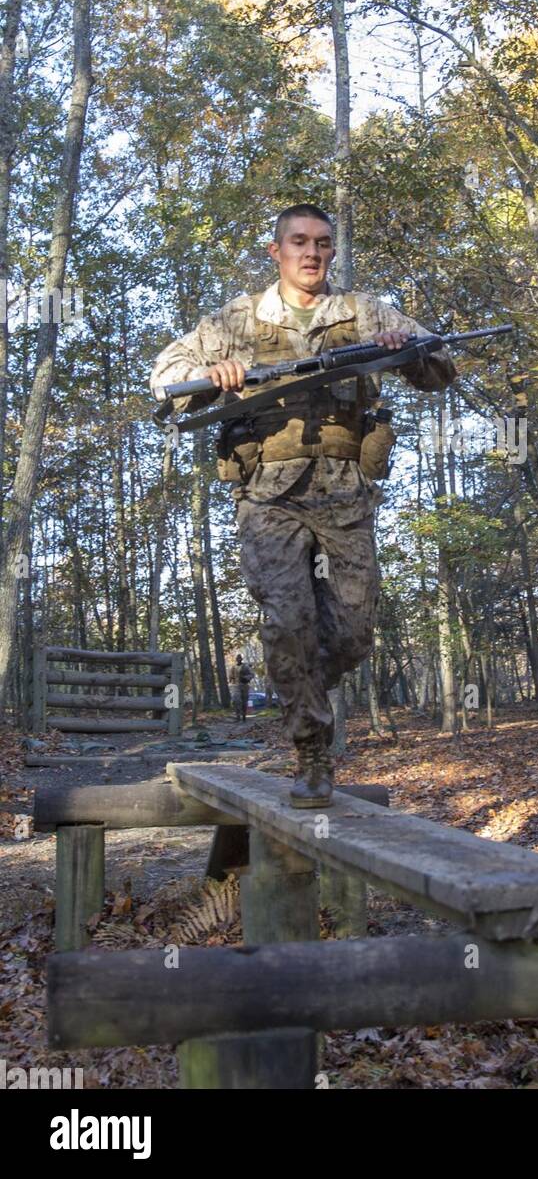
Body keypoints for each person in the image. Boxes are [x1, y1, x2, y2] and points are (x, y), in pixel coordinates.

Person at [151, 203, 456, 807]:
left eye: (321, 243)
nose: (310, 254)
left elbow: (441, 362)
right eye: (298, 242)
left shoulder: (362, 312)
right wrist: (215, 371)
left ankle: (303, 688)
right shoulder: (238, 319)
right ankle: (311, 749)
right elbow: (166, 377)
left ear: (331, 251)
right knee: (287, 624)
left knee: (352, 636)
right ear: (277, 251)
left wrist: (407, 348)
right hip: (268, 496)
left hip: (346, 492)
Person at [229, 652, 254, 720]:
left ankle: (244, 716)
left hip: (244, 685)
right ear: (236, 659)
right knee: (236, 700)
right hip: (236, 686)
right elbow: (230, 675)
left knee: (244, 701)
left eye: (240, 658)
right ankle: (237, 715)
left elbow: (252, 674)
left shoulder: (246, 666)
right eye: (237, 658)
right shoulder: (233, 667)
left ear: (241, 659)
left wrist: (246, 678)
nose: (238, 659)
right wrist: (230, 679)